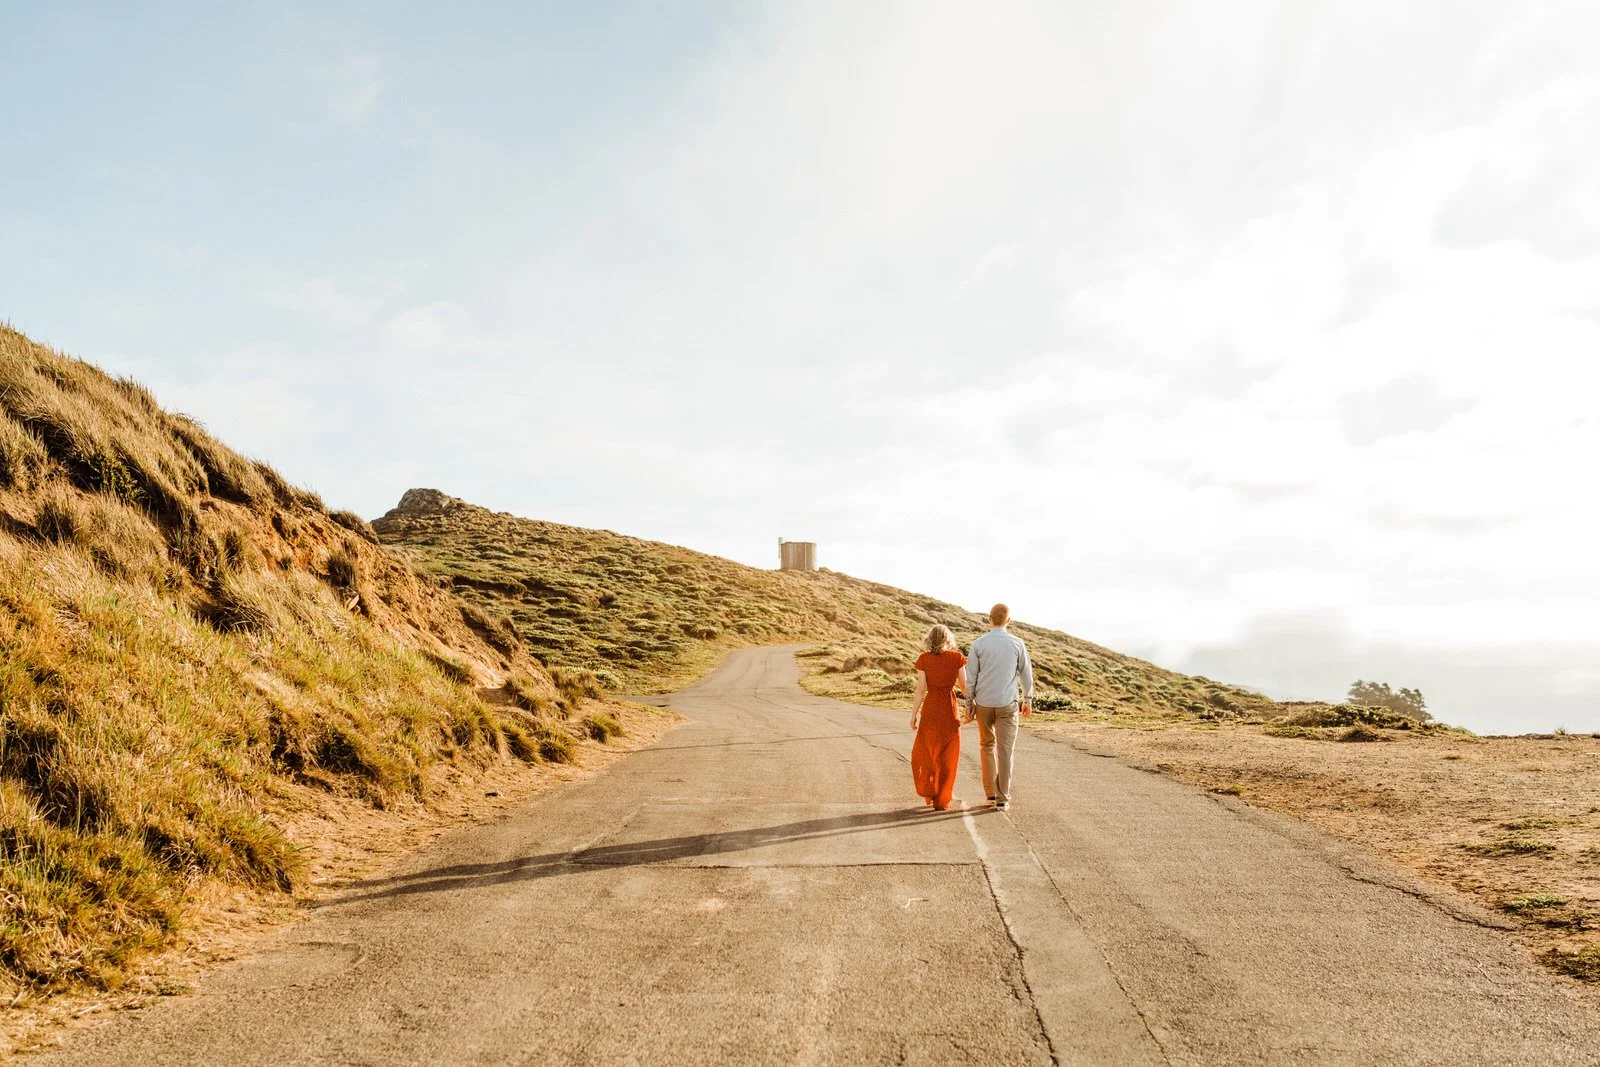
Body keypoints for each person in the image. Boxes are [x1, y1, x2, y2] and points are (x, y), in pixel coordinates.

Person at [964, 603, 1033, 811]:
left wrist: (969, 703)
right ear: (1008, 621)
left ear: (989, 619)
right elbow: (1026, 674)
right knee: (1005, 750)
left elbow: (971, 677)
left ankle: (990, 795)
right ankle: (1002, 798)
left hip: (983, 703)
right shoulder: (1017, 643)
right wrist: (1027, 700)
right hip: (1007, 704)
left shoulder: (979, 644)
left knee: (986, 746)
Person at [908, 624, 970, 812]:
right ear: (948, 639)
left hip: (931, 709)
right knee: (948, 755)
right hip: (950, 709)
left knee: (926, 752)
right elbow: (965, 687)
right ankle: (942, 798)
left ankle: (930, 790)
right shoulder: (957, 658)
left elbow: (920, 691)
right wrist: (970, 708)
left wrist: (913, 716)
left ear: (929, 639)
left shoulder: (924, 659)